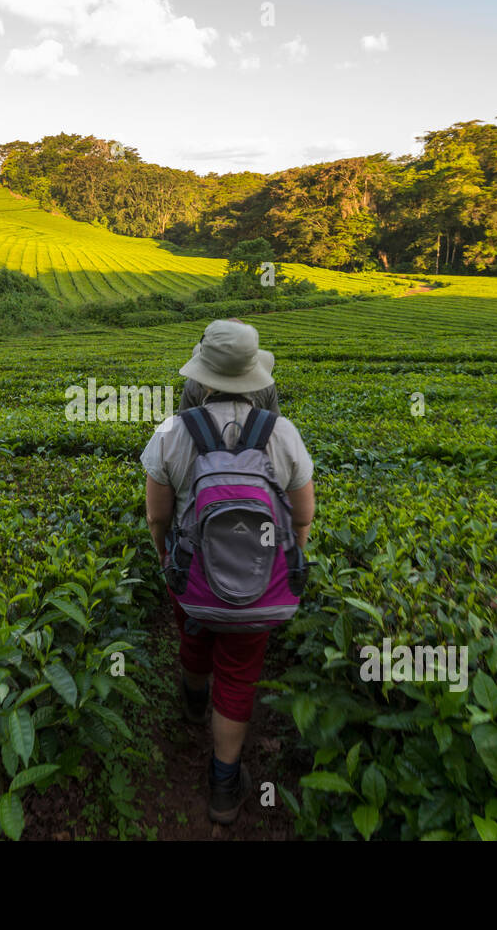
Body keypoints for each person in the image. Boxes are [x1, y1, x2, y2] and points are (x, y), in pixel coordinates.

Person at [141, 319, 315, 825]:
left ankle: (194, 701)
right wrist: (287, 562)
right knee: (239, 675)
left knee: (194, 636)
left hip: (192, 581)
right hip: (260, 590)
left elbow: (158, 516)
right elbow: (301, 516)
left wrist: (165, 559)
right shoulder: (281, 433)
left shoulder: (172, 432)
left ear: (199, 378)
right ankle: (223, 785)